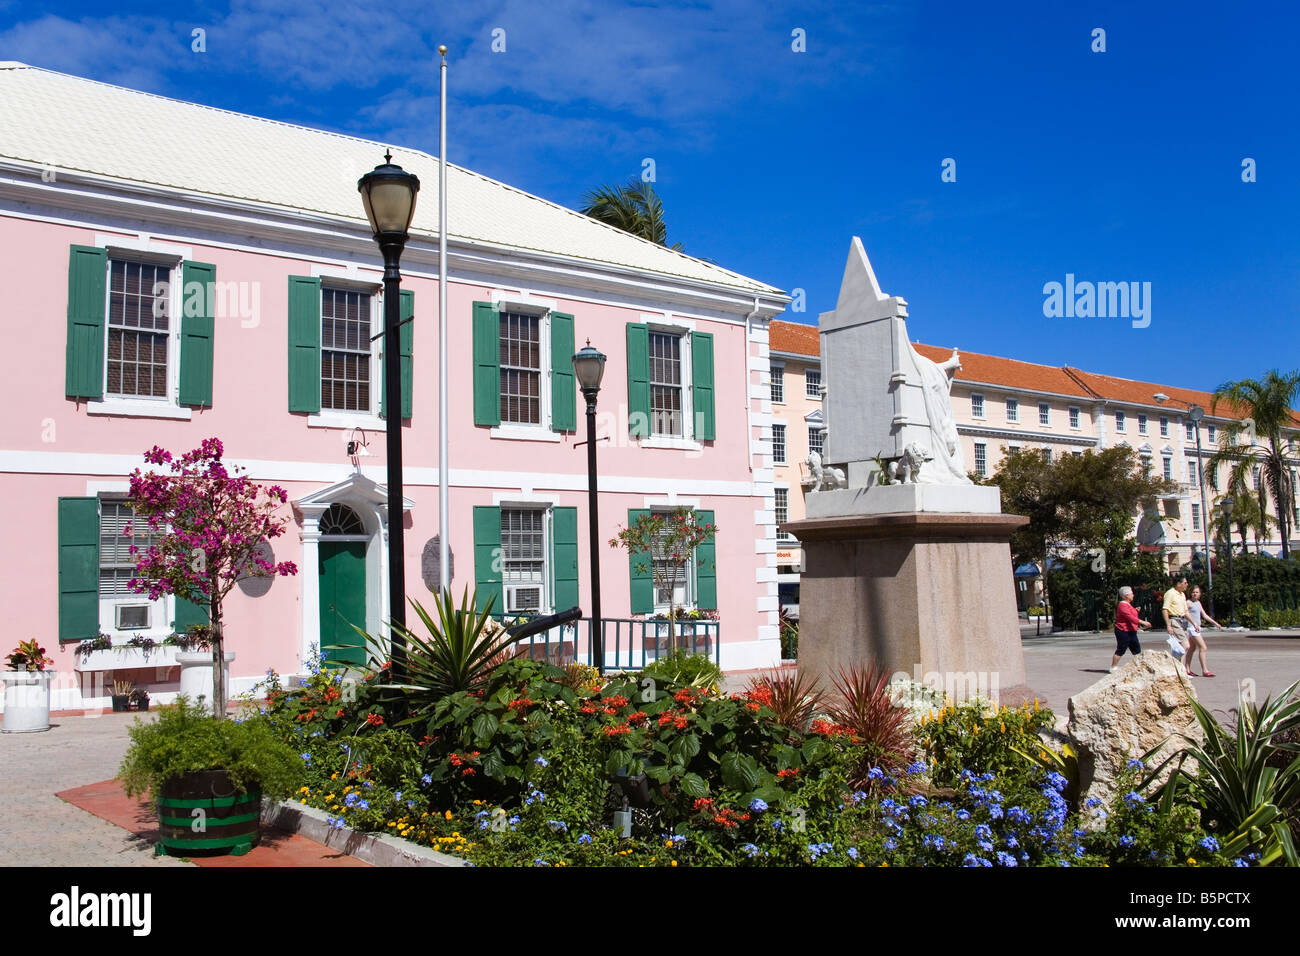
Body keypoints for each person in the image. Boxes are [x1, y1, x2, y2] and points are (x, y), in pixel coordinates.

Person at [1185, 585, 1221, 677]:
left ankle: (1187, 669)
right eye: (1193, 592)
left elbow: (1204, 615)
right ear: (1190, 593)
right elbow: (1184, 613)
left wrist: (1215, 623)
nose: (1195, 594)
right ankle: (1205, 670)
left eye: (1197, 592)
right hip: (1192, 628)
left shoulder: (1198, 603)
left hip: (1197, 628)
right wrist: (1191, 624)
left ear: (1200, 594)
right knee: (1203, 647)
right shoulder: (1188, 602)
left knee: (1191, 649)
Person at [1112, 586, 1151, 672]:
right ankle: (1113, 667)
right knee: (1121, 648)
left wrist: (1136, 610)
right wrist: (1143, 622)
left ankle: (1140, 666)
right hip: (1123, 630)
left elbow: (1131, 614)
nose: (1133, 595)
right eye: (1131, 594)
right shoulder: (1122, 605)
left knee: (1136, 649)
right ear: (1126, 595)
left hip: (1131, 631)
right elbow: (1129, 617)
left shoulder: (1128, 605)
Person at [1162, 575, 1193, 672]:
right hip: (1174, 620)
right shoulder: (1170, 593)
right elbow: (1165, 609)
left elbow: (1186, 611)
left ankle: (1179, 669)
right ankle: (1174, 665)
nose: (1187, 585)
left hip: (1182, 621)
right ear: (1178, 584)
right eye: (1185, 583)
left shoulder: (1182, 595)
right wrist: (1168, 625)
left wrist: (1194, 623)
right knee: (1185, 645)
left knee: (1180, 647)